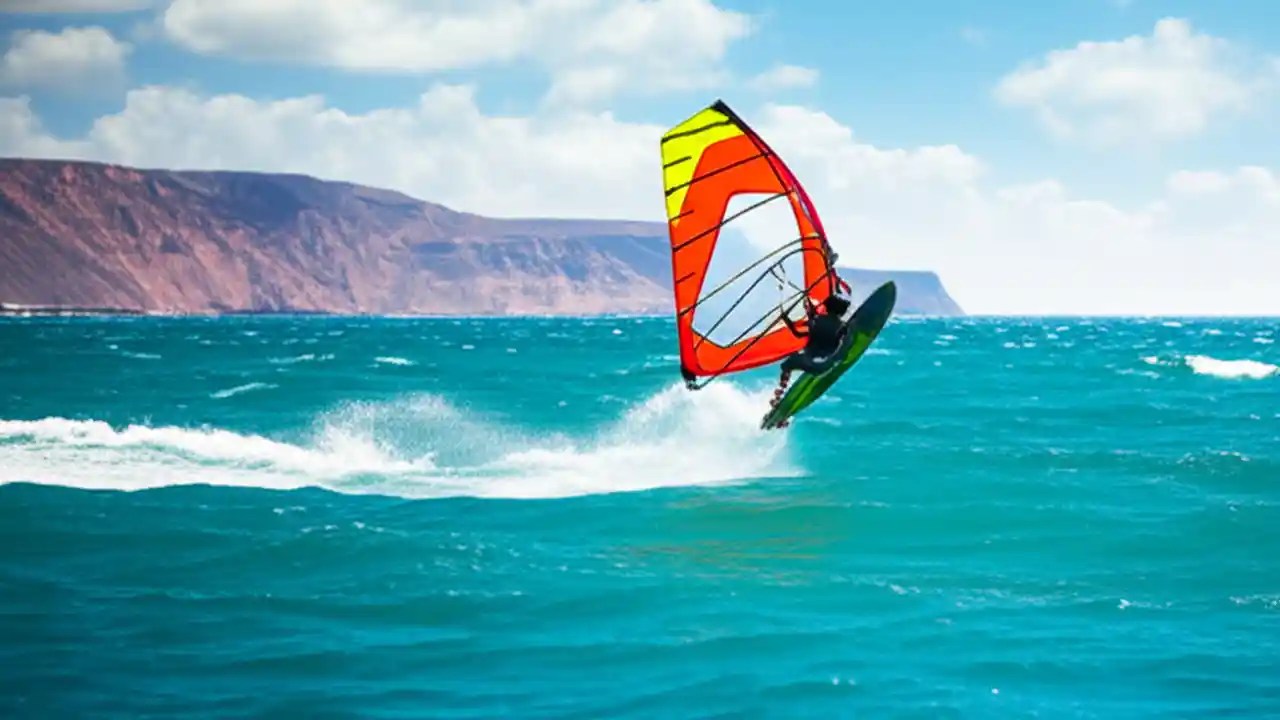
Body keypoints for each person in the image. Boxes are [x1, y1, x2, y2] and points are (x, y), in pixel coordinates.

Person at [770, 293, 852, 417]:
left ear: (827, 307)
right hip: (825, 366)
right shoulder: (843, 326)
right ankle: (781, 395)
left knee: (787, 365)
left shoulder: (816, 320)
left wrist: (786, 319)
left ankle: (779, 395)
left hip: (807, 362)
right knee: (828, 355)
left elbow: (798, 334)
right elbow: (845, 342)